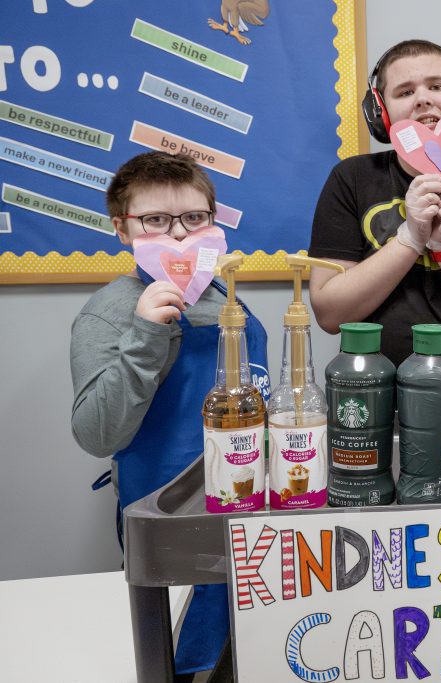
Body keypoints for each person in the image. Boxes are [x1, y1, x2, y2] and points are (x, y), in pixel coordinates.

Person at [70, 151, 270, 677]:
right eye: (156, 221)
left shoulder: (234, 303)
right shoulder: (108, 314)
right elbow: (96, 433)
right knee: (179, 660)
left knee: (248, 654)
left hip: (250, 518)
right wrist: (145, 337)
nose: (179, 235)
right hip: (169, 529)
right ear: (122, 228)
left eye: (195, 219)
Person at [307, 39, 441, 366]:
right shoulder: (351, 178)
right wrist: (410, 237)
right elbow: (329, 314)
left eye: (437, 86)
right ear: (382, 113)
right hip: (374, 378)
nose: (423, 99)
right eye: (405, 92)